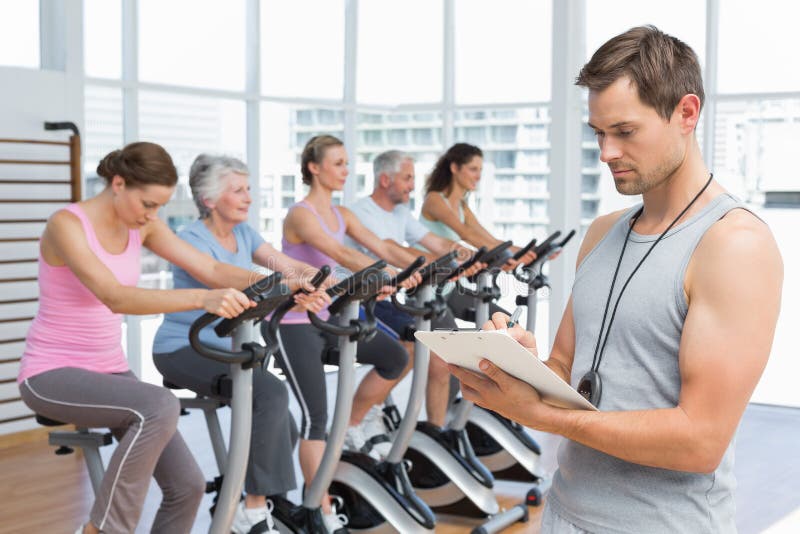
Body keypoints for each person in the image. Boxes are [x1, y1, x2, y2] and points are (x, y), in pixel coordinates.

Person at [448, 26, 783, 534]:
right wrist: (522, 367)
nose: (606, 152)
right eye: (598, 133)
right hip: (564, 512)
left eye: (625, 132)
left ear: (686, 114)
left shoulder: (732, 244)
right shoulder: (602, 232)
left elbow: (700, 441)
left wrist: (543, 418)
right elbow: (566, 366)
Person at [17, 142, 261, 534]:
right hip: (50, 373)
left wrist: (288, 282)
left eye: (160, 207)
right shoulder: (66, 224)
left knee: (187, 486)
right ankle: (102, 529)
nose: (153, 215)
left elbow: (213, 269)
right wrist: (202, 298)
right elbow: (114, 297)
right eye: (148, 204)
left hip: (110, 372)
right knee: (159, 404)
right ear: (118, 183)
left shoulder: (143, 225)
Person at [152, 155, 330, 534]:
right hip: (184, 348)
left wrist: (325, 280)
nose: (248, 197)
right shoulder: (190, 240)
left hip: (229, 347)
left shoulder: (245, 234)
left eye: (248, 188)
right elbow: (220, 276)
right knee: (269, 394)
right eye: (238, 190)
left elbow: (284, 264)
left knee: (284, 425)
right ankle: (251, 510)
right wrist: (285, 287)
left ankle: (256, 500)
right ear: (210, 199)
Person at [268, 134, 422, 532]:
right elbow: (344, 257)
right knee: (315, 417)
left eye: (347, 163)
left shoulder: (341, 215)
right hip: (296, 322)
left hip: (331, 316)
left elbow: (377, 247)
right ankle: (316, 507)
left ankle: (352, 424)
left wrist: (407, 271)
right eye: (338, 163)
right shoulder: (301, 214)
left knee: (395, 357)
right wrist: (379, 274)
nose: (346, 170)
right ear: (314, 168)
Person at [344, 149, 480, 427]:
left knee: (431, 354)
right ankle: (357, 421)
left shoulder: (401, 213)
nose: (412, 185)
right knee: (408, 348)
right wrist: (441, 266)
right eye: (407, 178)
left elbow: (434, 242)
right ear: (385, 180)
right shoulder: (361, 213)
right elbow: (391, 251)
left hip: (390, 297)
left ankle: (432, 427)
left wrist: (462, 255)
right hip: (362, 301)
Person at [418, 142, 537, 320]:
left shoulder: (462, 206)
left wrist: (526, 252)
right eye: (473, 169)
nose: (478, 176)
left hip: (451, 287)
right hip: (430, 288)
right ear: (454, 168)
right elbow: (466, 234)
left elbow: (488, 239)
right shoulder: (434, 199)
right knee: (451, 338)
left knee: (507, 322)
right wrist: (505, 255)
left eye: (480, 170)